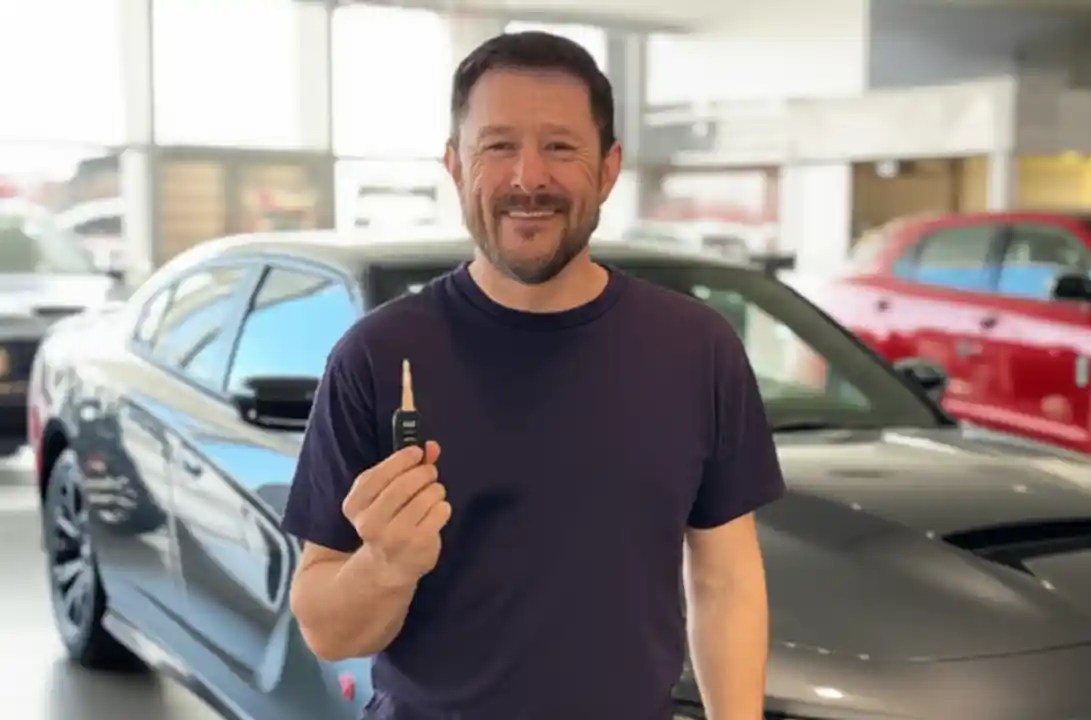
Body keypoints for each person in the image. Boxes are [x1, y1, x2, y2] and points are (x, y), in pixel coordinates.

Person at [282, 30, 786, 720]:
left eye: (559, 147)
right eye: (498, 146)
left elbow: (725, 579)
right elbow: (326, 627)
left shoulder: (697, 349)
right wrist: (386, 565)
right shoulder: (376, 357)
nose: (528, 178)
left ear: (608, 169)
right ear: (456, 166)